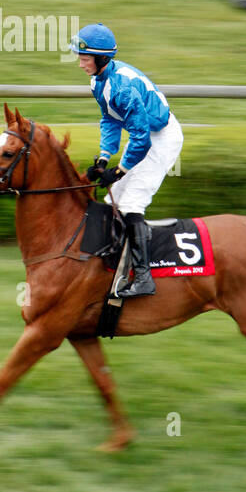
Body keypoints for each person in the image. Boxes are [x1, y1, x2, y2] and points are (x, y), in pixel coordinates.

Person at [70, 22, 183, 299]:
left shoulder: (122, 87)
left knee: (131, 201)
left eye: (85, 59)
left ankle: (144, 277)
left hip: (161, 137)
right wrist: (104, 158)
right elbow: (109, 119)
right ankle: (112, 263)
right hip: (144, 134)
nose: (81, 64)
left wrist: (119, 171)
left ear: (102, 59)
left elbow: (141, 138)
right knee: (112, 202)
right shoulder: (98, 80)